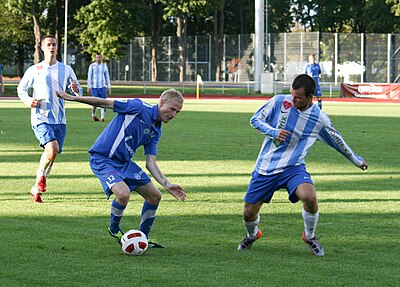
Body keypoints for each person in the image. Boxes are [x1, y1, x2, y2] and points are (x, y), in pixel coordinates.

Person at [237, 74, 368, 256]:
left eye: (298, 97)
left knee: (309, 196)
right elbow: (255, 120)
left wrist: (356, 159)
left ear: (309, 97)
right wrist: (273, 132)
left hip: (293, 168)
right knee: (248, 213)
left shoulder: (318, 118)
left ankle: (310, 235)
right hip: (266, 167)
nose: (293, 99)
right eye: (292, 94)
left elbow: (337, 139)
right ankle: (252, 235)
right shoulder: (279, 101)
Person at [56, 88, 186, 248]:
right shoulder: (138, 107)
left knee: (155, 196)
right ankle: (114, 229)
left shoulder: (156, 130)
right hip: (102, 159)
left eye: (177, 112)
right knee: (123, 194)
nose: (173, 115)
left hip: (124, 163)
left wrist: (167, 184)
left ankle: (143, 239)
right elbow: (104, 103)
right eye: (172, 109)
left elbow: (150, 162)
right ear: (162, 102)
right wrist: (72, 98)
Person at [17, 35, 83, 204]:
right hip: (41, 117)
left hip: (60, 120)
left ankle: (36, 188)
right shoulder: (35, 69)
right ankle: (40, 176)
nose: (52, 47)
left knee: (51, 154)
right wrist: (28, 101)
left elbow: (79, 92)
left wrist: (76, 89)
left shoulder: (66, 69)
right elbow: (21, 89)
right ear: (42, 47)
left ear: (57, 48)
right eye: (49, 44)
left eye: (54, 44)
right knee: (52, 149)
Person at [87, 53, 111, 122]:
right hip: (94, 87)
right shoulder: (92, 66)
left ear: (101, 58)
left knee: (103, 102)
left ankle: (102, 117)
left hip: (102, 87)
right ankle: (93, 115)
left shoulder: (104, 66)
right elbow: (89, 77)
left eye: (99, 57)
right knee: (95, 103)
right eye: (97, 57)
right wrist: (89, 86)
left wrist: (109, 86)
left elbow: (107, 76)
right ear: (95, 58)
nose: (98, 59)